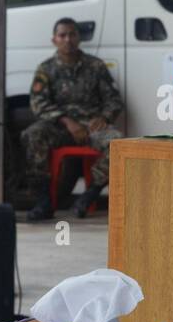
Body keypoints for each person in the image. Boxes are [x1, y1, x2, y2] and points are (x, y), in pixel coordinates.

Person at [21, 17, 123, 221]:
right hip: (59, 125)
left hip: (91, 125)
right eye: (62, 35)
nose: (68, 39)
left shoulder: (95, 66)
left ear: (79, 38)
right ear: (54, 40)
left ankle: (88, 196)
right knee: (31, 135)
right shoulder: (46, 69)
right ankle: (43, 202)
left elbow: (114, 99)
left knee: (118, 144)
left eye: (72, 34)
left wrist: (103, 117)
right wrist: (67, 122)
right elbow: (38, 103)